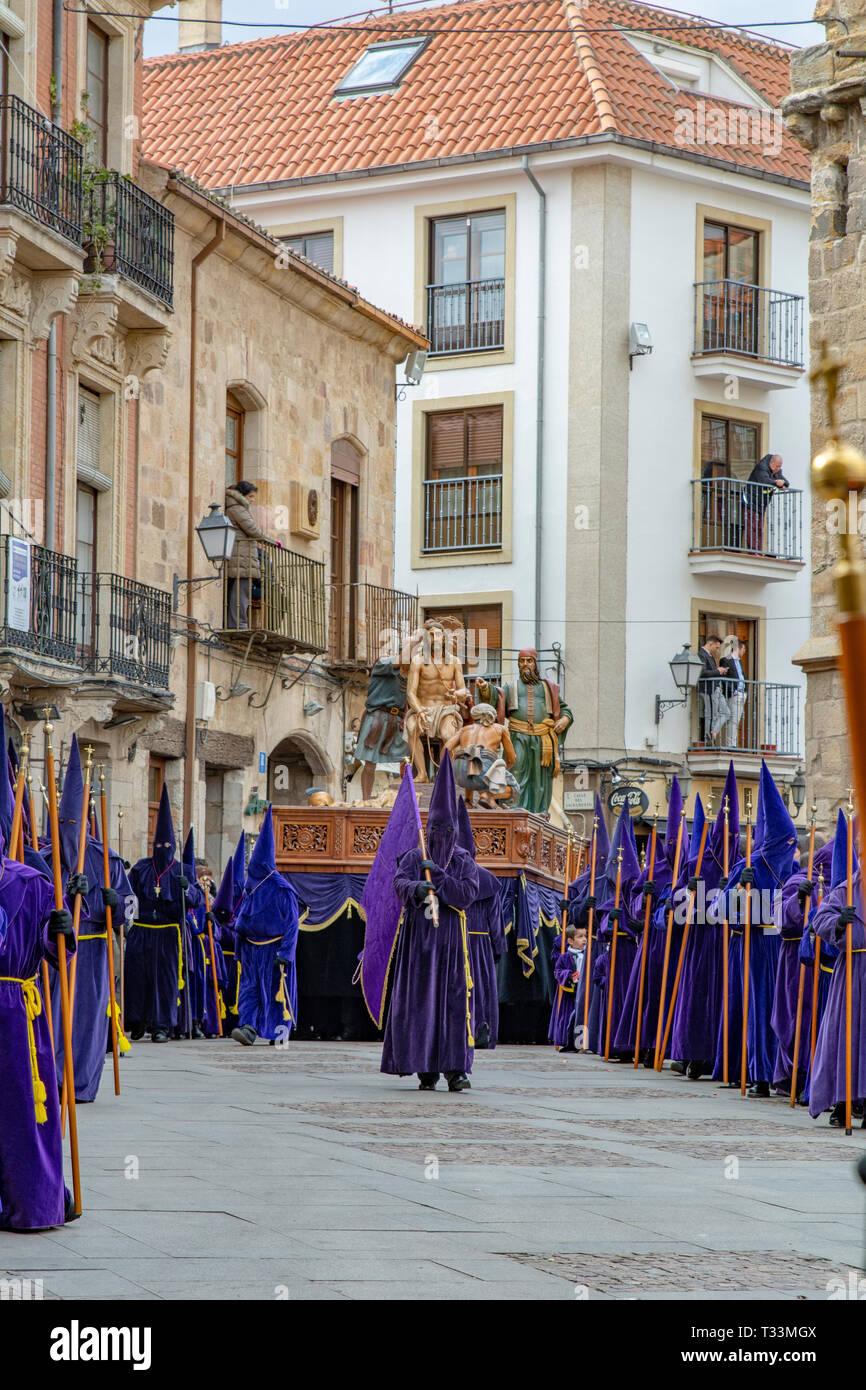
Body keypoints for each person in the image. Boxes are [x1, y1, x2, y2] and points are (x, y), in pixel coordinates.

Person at [40, 736, 134, 1099]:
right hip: (55, 954)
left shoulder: (106, 859)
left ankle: (80, 1083)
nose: (69, 830)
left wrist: (114, 902)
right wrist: (67, 897)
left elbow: (129, 907)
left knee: (88, 1021)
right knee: (54, 1018)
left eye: (74, 822)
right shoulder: (43, 858)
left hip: (93, 952)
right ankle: (52, 1077)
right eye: (63, 822)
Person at [383, 752, 479, 1091]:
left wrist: (438, 877)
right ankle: (424, 1067)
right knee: (421, 1001)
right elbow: (398, 883)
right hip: (418, 941)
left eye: (447, 830)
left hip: (451, 941)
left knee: (453, 1003)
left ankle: (456, 1069)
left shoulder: (463, 859)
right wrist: (418, 888)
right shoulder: (414, 854)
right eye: (437, 829)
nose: (442, 835)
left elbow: (467, 893)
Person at [0, 804, 76, 1229]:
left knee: (21, 1110)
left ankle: (32, 1200)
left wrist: (62, 928)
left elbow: (54, 949)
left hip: (13, 1012)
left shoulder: (29, 882)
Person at [125, 785, 203, 1042]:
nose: (162, 847)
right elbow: (130, 895)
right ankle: (137, 1021)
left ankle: (162, 1026)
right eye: (159, 844)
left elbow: (197, 900)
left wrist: (188, 889)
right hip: (142, 932)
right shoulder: (141, 868)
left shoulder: (184, 870)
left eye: (167, 844)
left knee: (165, 982)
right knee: (138, 980)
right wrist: (127, 922)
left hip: (169, 934)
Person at [231, 805, 300, 1047]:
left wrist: (285, 953)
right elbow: (242, 918)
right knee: (249, 989)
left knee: (274, 992)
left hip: (273, 950)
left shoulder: (282, 890)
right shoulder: (252, 887)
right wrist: (240, 947)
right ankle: (248, 1026)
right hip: (251, 950)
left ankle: (277, 1031)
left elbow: (292, 924)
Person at [478, 649, 573, 815]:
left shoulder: (548, 688)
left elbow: (565, 710)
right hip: (517, 737)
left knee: (540, 779)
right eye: (522, 661)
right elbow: (496, 697)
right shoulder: (511, 687)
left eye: (529, 661)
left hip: (543, 740)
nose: (525, 665)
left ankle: (539, 812)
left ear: (535, 663)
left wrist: (564, 720)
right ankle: (514, 810)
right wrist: (486, 688)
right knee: (516, 770)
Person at [456, 797, 505, 1049]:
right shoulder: (486, 878)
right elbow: (495, 918)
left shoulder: (443, 875)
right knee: (480, 988)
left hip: (454, 941)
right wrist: (496, 948)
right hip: (480, 943)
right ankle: (480, 1029)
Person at [404, 619, 469, 781]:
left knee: (449, 734)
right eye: (430, 635)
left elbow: (463, 690)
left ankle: (447, 775)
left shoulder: (454, 662)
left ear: (444, 638)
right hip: (423, 708)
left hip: (445, 711)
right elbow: (411, 693)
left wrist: (457, 694)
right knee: (411, 727)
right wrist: (420, 711)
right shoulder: (418, 661)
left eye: (437, 635)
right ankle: (422, 773)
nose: (434, 638)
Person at [444, 702, 518, 807]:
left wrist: (445, 770)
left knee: (470, 756)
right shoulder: (500, 728)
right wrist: (500, 773)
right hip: (483, 768)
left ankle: (468, 801)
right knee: (515, 788)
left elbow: (446, 748)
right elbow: (511, 759)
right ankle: (488, 796)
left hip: (458, 772)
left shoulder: (464, 729)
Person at [225, 479, 271, 629]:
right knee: (241, 592)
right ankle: (239, 623)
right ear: (242, 495)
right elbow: (252, 530)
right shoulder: (237, 509)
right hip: (241, 556)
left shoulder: (236, 507)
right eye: (250, 496)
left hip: (242, 555)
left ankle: (239, 622)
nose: (252, 500)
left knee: (241, 591)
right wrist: (270, 541)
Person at [549, 926, 587, 1052]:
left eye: (585, 936)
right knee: (568, 1018)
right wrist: (569, 975)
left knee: (582, 1016)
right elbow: (557, 971)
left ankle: (582, 1042)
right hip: (570, 994)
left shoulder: (588, 955)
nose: (584, 940)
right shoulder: (565, 957)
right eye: (580, 936)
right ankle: (567, 1041)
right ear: (570, 941)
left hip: (584, 993)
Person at [745, 454, 789, 554]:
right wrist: (776, 483)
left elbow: (785, 482)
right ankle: (753, 552)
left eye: (780, 466)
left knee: (759, 527)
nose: (778, 469)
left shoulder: (777, 471)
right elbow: (764, 480)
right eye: (777, 466)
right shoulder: (762, 467)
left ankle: (758, 552)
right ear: (771, 463)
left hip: (761, 503)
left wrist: (783, 484)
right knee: (752, 526)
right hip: (750, 500)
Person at [697, 634, 727, 745]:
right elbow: (702, 673)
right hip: (708, 689)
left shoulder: (709, 656)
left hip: (715, 688)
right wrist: (718, 671)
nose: (717, 650)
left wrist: (720, 671)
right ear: (710, 644)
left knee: (726, 712)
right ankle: (708, 741)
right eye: (717, 647)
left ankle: (713, 732)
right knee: (710, 715)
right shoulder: (701, 655)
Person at [720, 636, 748, 749]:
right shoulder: (726, 660)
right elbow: (724, 678)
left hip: (742, 694)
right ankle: (731, 744)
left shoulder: (739, 662)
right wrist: (733, 691)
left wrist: (745, 691)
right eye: (744, 649)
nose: (744, 651)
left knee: (737, 720)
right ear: (738, 648)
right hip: (734, 694)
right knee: (733, 720)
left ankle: (734, 743)